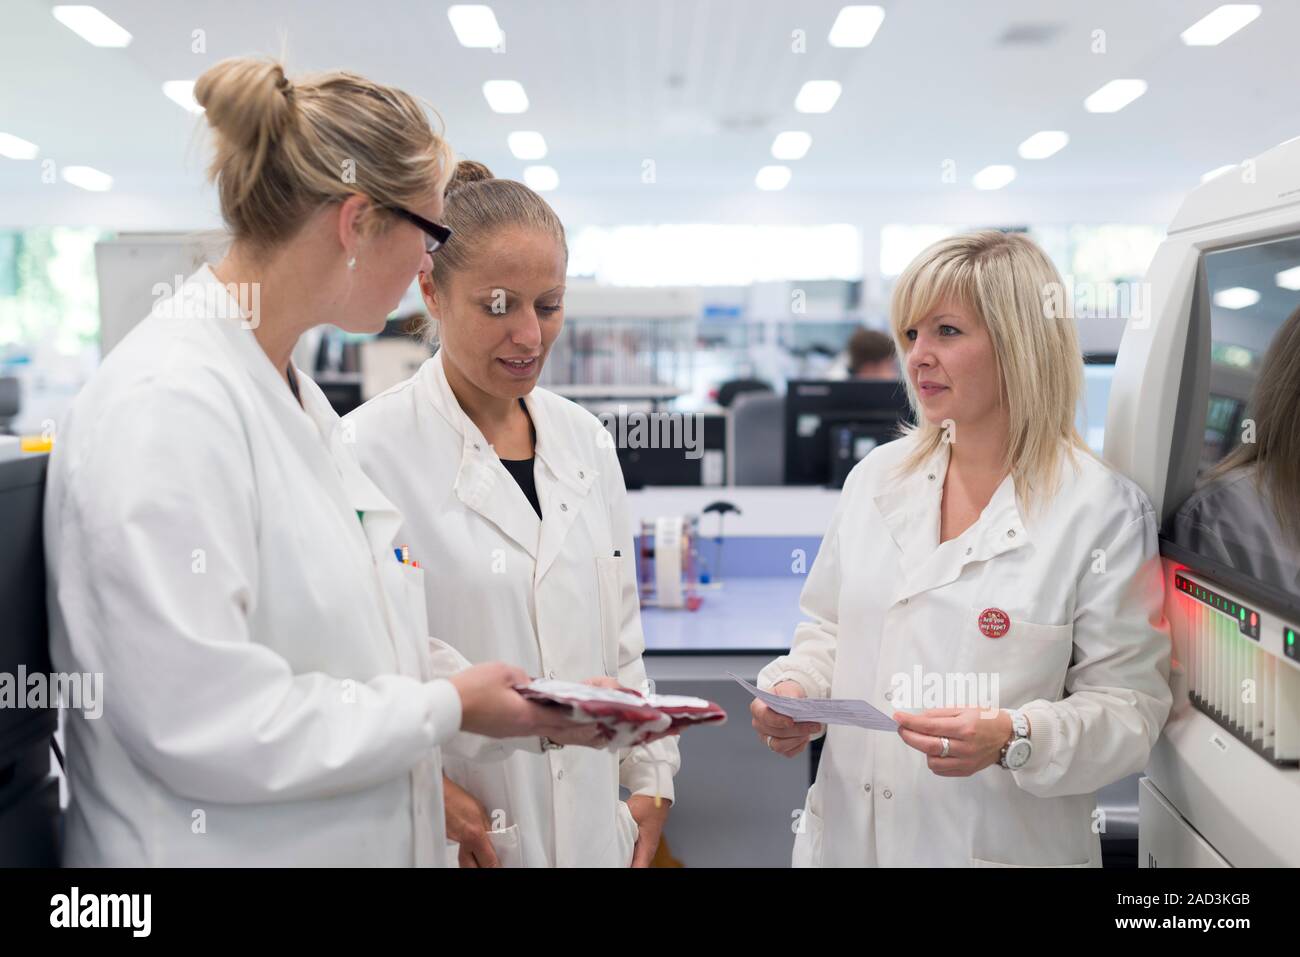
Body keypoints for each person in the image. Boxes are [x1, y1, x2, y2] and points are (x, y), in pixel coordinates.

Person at [44, 57, 591, 867]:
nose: (425, 268)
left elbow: (351, 630)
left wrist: (491, 692)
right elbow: (197, 717)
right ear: (358, 221)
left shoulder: (291, 396)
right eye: (431, 235)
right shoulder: (170, 402)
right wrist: (443, 704)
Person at [750, 230, 1173, 867]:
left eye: (947, 331)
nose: (918, 355)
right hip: (846, 842)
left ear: (1019, 343)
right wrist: (796, 686)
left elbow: (1129, 712)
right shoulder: (877, 479)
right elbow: (832, 628)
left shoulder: (1100, 512)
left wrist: (1015, 737)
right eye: (911, 333)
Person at [346, 160, 681, 867]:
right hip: (458, 835)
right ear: (431, 290)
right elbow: (352, 664)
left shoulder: (586, 440)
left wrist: (652, 780)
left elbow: (621, 637)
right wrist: (427, 786)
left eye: (549, 304)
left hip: (595, 832)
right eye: (499, 305)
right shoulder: (367, 450)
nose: (530, 335)